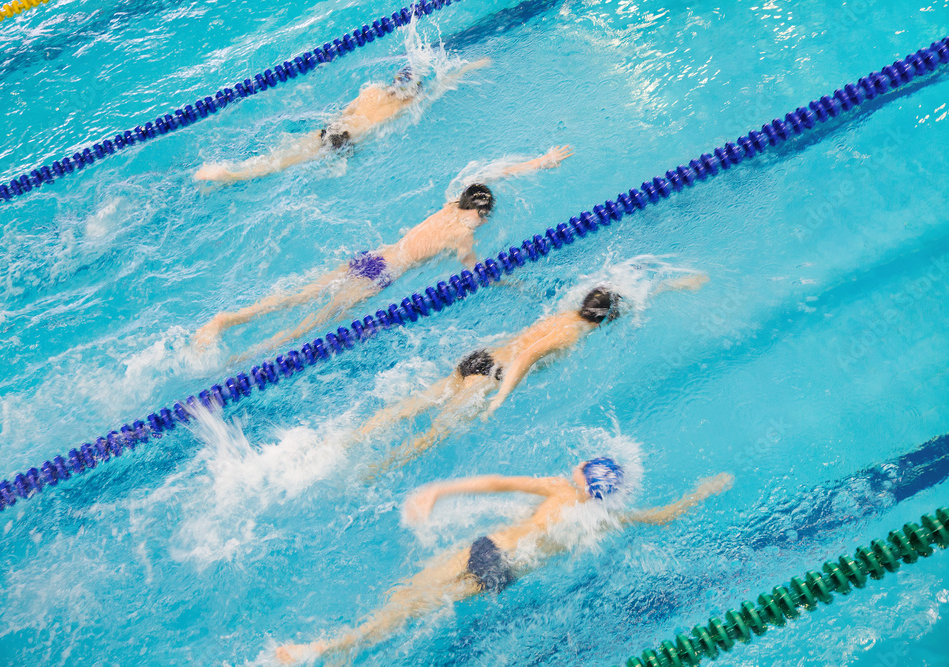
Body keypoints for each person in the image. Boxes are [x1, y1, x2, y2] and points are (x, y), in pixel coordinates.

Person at [274, 459, 734, 663]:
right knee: (407, 611)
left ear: (583, 480)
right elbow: (661, 517)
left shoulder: (559, 489)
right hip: (504, 574)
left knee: (402, 603)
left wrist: (439, 491)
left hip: (488, 547)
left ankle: (320, 650)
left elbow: (497, 482)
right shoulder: (601, 522)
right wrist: (703, 492)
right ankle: (333, 652)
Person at [192, 145, 575, 353]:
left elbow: (491, 174)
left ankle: (225, 319)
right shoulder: (463, 234)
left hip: (373, 256)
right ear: (478, 212)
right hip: (383, 274)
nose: (484, 222)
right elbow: (472, 271)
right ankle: (245, 358)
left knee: (300, 295)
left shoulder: (448, 207)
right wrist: (510, 284)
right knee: (314, 322)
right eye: (485, 216)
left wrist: (538, 162)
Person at [355, 272, 708, 473]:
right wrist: (500, 399)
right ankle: (377, 470)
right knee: (434, 434)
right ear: (606, 319)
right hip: (490, 377)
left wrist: (671, 285)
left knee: (409, 407)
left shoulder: (569, 315)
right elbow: (525, 357)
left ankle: (352, 438)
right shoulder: (573, 332)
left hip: (478, 357)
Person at [193, 59, 491, 183]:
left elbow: (343, 114)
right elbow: (443, 84)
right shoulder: (408, 105)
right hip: (345, 140)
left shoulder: (372, 90)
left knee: (280, 155)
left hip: (333, 129)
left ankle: (232, 170)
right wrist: (473, 66)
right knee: (284, 164)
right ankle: (231, 176)